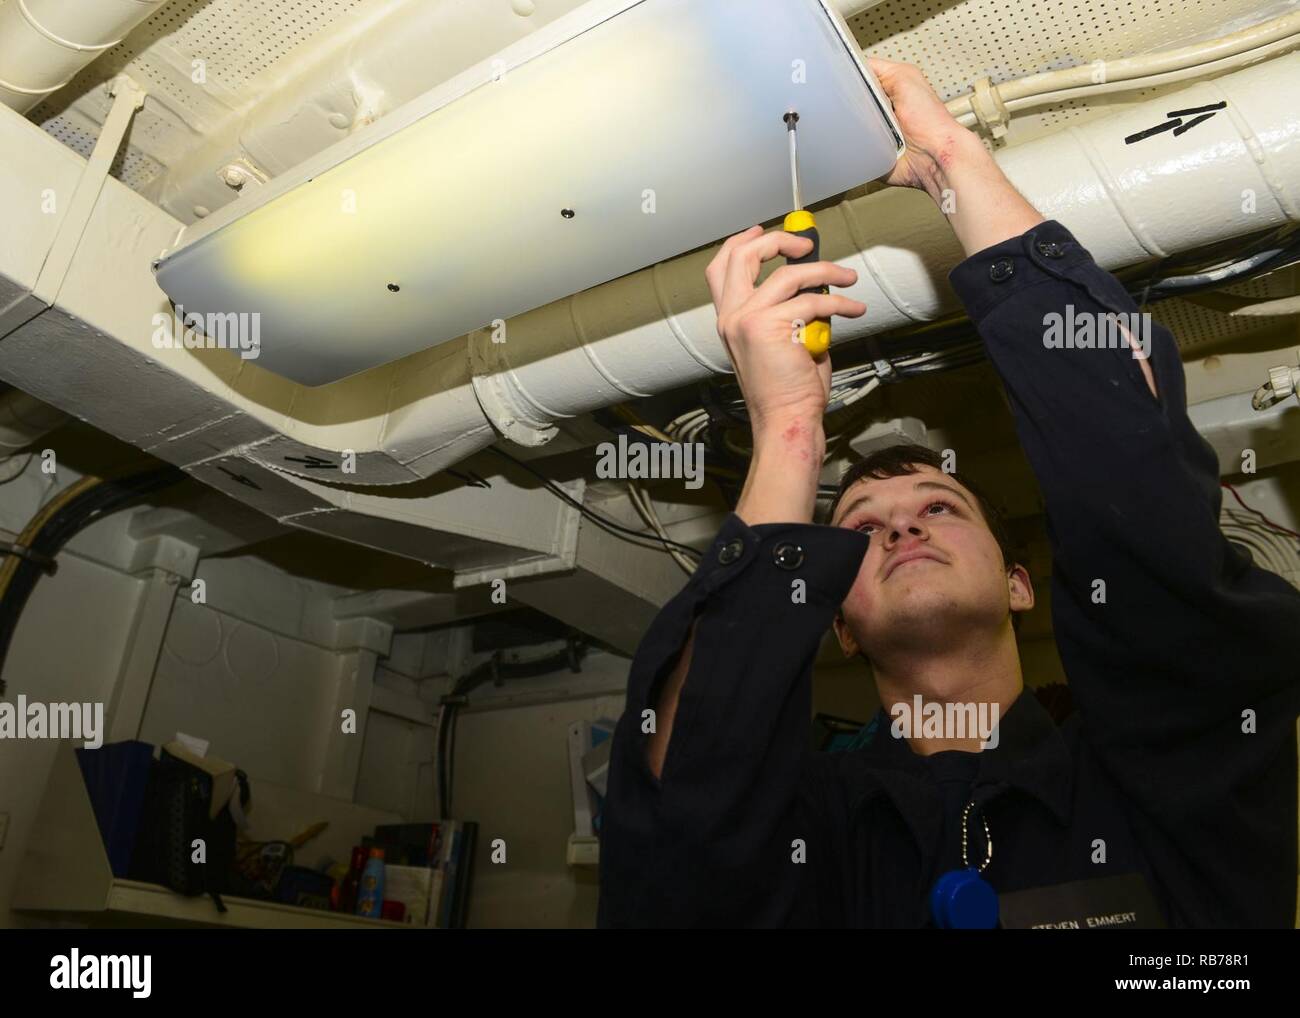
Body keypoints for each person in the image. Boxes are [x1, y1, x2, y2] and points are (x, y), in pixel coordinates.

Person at [596, 58, 1300, 928]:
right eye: (859, 526)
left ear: (1019, 582)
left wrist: (957, 168)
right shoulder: (811, 828)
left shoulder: (1169, 770)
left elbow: (1146, 517)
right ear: (838, 624)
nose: (900, 527)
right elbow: (688, 799)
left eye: (939, 506)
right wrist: (785, 426)